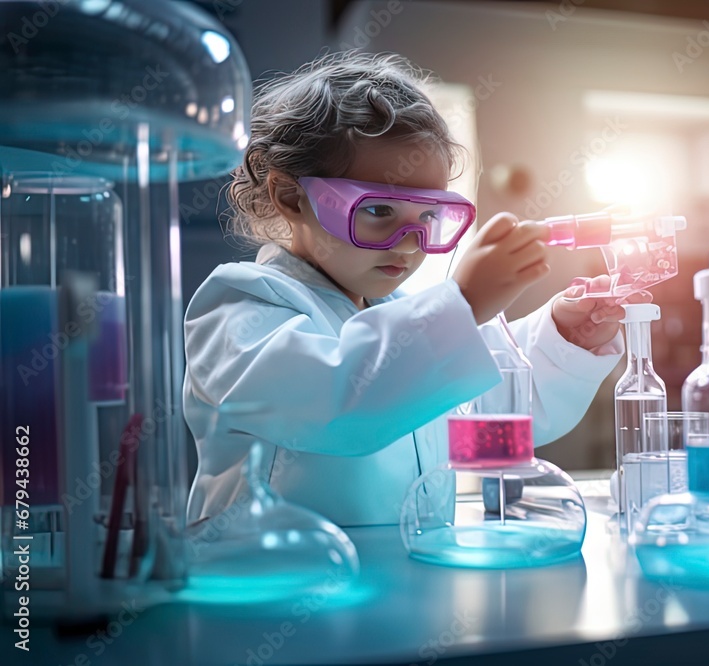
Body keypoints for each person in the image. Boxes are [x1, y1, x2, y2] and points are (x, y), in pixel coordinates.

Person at [183, 51, 644, 527]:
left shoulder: (397, 317)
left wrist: (565, 337)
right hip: (272, 586)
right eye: (380, 211)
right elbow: (338, 400)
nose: (411, 242)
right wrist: (463, 304)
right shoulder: (239, 306)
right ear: (290, 197)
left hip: (402, 579)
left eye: (429, 217)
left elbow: (490, 399)